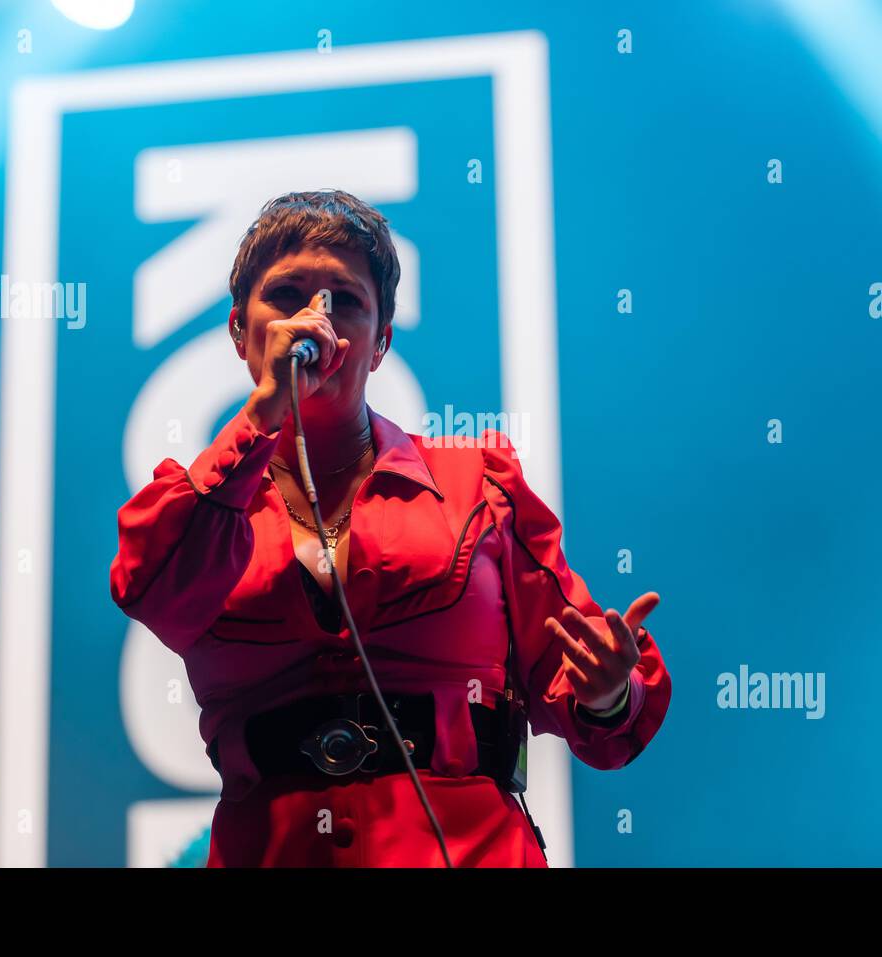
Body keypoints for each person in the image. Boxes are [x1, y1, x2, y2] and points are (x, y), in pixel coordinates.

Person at [109, 189, 673, 866]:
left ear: (379, 344)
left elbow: (602, 711)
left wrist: (610, 691)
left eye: (344, 300)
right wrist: (261, 416)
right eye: (286, 294)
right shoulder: (196, 501)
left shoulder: (479, 484)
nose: (314, 320)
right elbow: (152, 586)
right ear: (239, 331)